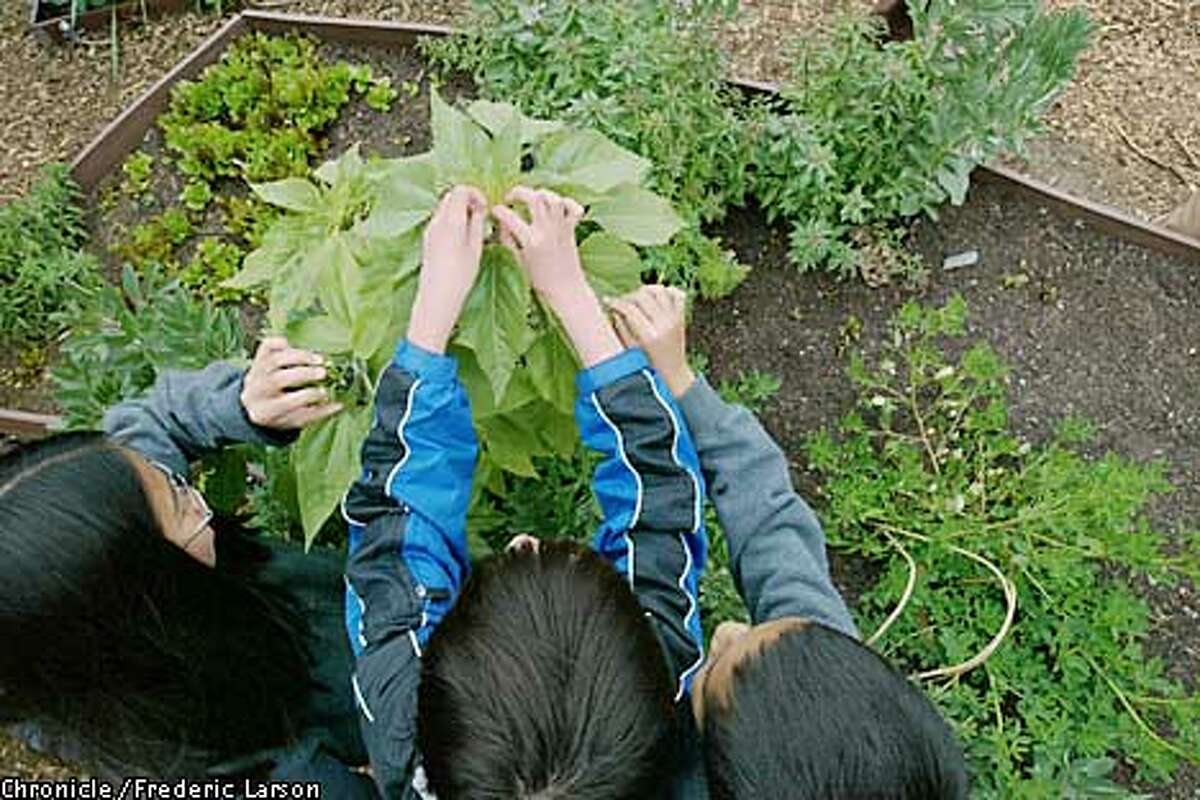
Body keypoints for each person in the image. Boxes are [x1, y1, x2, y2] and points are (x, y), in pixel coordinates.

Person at [342, 185, 708, 799]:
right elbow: (659, 507)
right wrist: (572, 296)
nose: (522, 537)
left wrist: (434, 309)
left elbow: (395, 526)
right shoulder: (659, 705)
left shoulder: (401, 725)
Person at [607, 285, 969, 800]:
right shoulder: (822, 676)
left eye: (707, 680)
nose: (729, 632)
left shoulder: (651, 770)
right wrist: (680, 381)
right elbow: (772, 525)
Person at [0, 337, 377, 795]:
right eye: (181, 507)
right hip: (421, 691)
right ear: (150, 599)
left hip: (360, 609)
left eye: (174, 481)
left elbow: (157, 419)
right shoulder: (238, 766)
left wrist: (242, 404)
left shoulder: (126, 525)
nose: (197, 501)